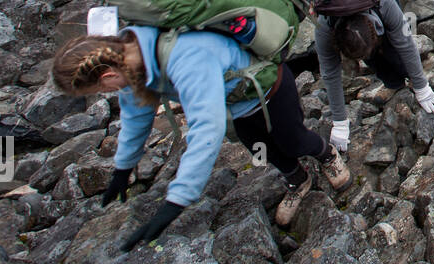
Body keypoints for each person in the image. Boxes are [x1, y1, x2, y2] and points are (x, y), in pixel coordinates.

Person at [51, 27, 350, 245]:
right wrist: (123, 167)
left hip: (269, 89)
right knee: (262, 149)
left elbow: (207, 126)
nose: (109, 94)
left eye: (102, 91)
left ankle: (326, 154)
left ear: (105, 77)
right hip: (238, 104)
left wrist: (177, 199)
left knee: (293, 140)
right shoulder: (131, 60)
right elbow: (136, 113)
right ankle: (298, 179)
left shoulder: (183, 56)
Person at [305, 0, 434, 149]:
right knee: (375, 57)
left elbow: (405, 42)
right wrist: (340, 122)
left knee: (394, 48)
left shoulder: (382, 3)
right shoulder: (325, 23)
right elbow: (330, 72)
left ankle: (401, 78)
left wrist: (422, 87)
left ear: (375, 31)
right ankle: (393, 82)